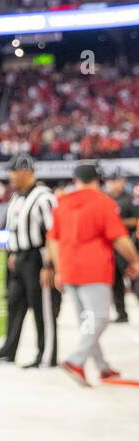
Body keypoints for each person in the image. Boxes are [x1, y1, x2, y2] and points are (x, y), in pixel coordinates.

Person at [48, 162, 139, 386]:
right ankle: (75, 360)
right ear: (97, 180)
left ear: (75, 179)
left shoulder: (63, 203)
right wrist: (135, 259)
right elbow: (119, 237)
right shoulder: (103, 202)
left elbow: (53, 239)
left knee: (87, 321)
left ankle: (102, 366)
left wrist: (59, 269)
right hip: (94, 268)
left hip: (69, 268)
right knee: (100, 317)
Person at [0, 154, 59, 368]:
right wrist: (13, 253)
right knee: (14, 304)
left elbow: (54, 233)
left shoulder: (44, 197)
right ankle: (8, 351)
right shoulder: (16, 197)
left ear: (25, 171)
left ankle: (47, 354)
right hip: (19, 258)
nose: (10, 176)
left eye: (13, 171)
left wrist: (50, 265)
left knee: (42, 308)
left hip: (37, 257)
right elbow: (14, 229)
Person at [105, 169, 137, 322]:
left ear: (121, 181)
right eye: (109, 181)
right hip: (111, 249)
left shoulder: (131, 200)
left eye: (114, 181)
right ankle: (121, 313)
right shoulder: (106, 200)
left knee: (135, 280)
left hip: (129, 245)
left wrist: (117, 224)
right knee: (115, 282)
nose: (111, 184)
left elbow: (137, 221)